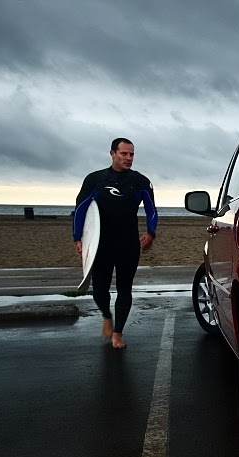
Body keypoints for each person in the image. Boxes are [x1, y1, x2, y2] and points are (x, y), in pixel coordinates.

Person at [72, 138, 158, 349]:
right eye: (124, 154)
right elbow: (81, 209)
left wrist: (151, 232)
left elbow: (151, 209)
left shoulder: (140, 181)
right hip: (101, 243)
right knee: (99, 289)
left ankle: (117, 333)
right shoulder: (95, 179)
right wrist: (77, 237)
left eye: (131, 154)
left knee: (124, 288)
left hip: (128, 242)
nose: (128, 158)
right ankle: (106, 316)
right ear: (112, 153)